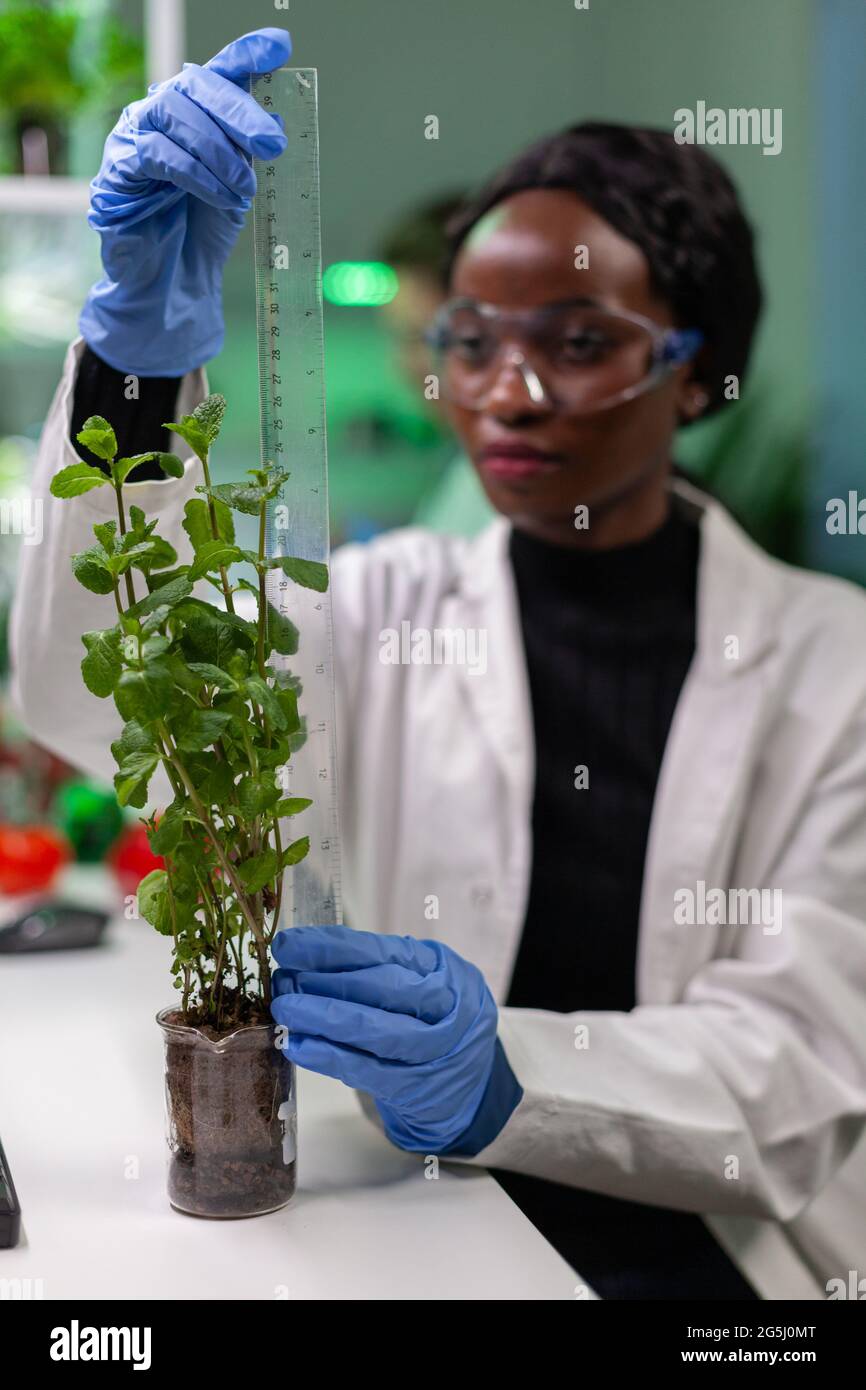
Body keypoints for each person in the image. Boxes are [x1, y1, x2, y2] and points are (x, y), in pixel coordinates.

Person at [11, 29, 866, 1300]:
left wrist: (510, 1078)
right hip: (414, 1232)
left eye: (578, 341)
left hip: (699, 1257)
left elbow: (805, 1063)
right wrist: (134, 374)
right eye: (470, 340)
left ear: (694, 375)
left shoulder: (832, 666)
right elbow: (96, 688)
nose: (506, 392)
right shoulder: (376, 608)